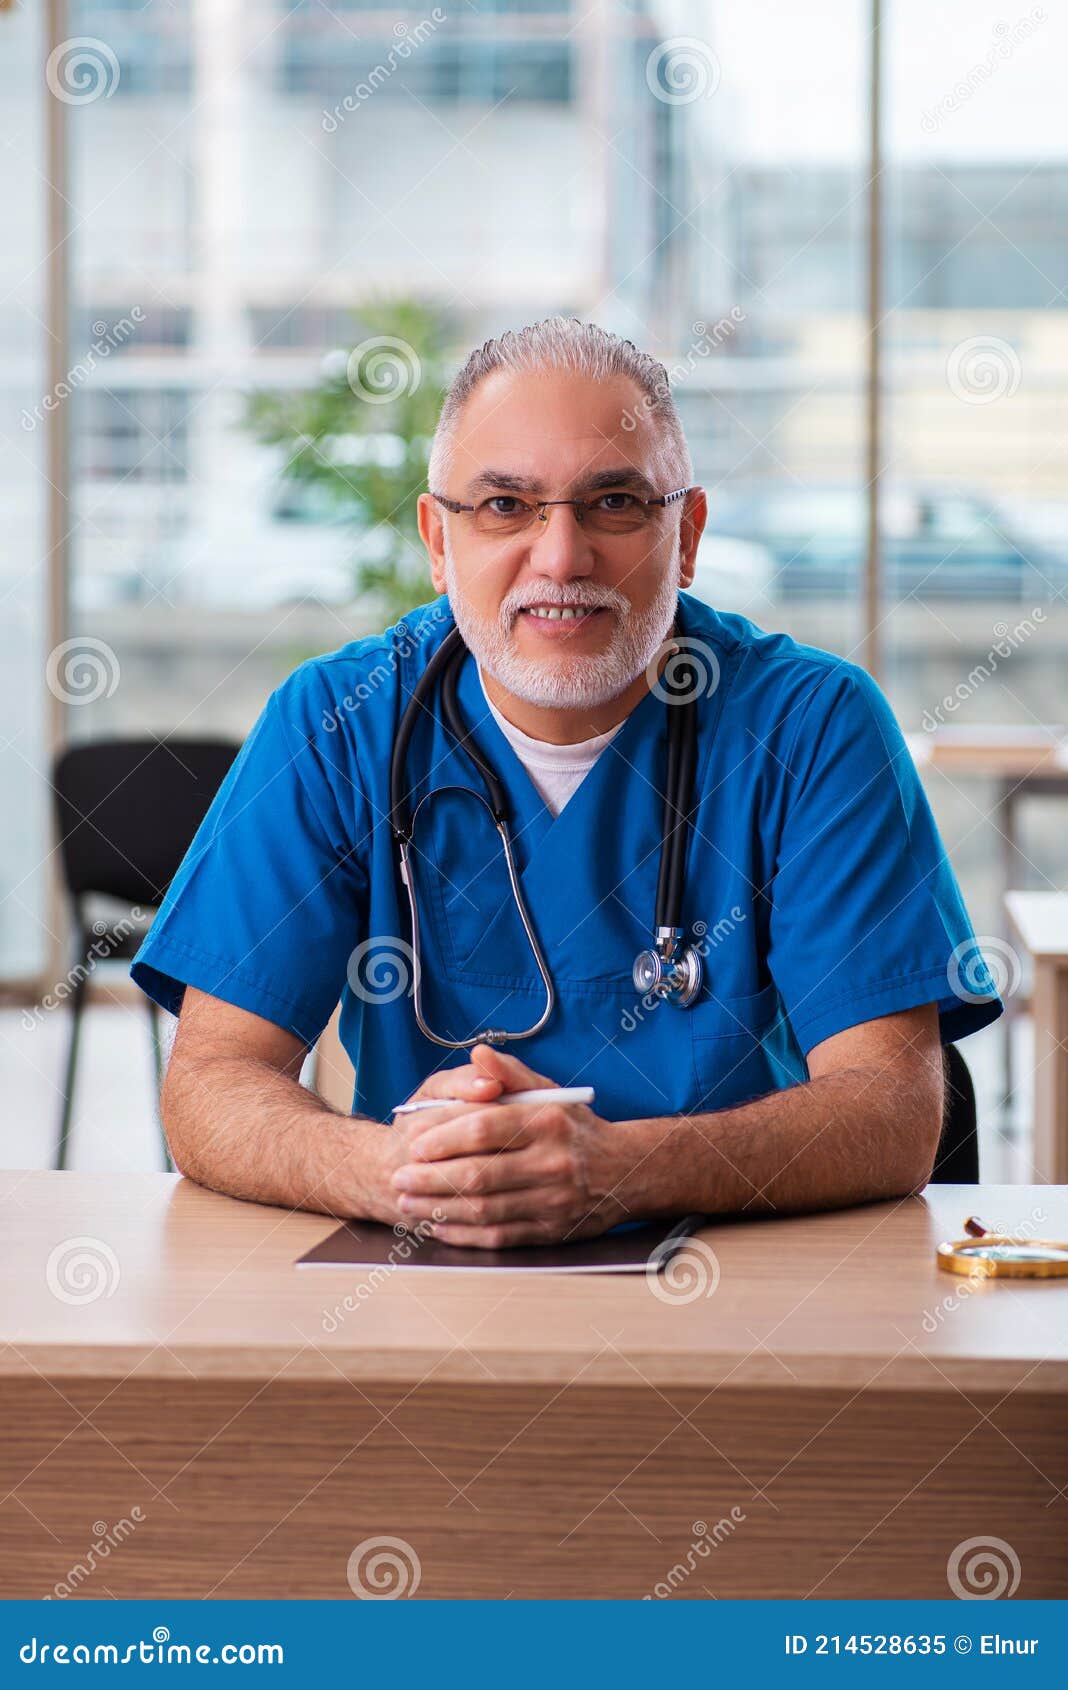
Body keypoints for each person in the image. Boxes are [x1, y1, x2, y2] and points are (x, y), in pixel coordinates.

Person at [131, 318, 1001, 1248]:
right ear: (437, 538)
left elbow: (897, 1112)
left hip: (745, 1288)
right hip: (425, 1281)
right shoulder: (340, 722)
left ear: (688, 531)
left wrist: (619, 1171)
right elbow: (211, 1083)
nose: (561, 557)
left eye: (615, 502)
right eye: (506, 506)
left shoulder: (812, 725)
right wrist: (395, 1172)